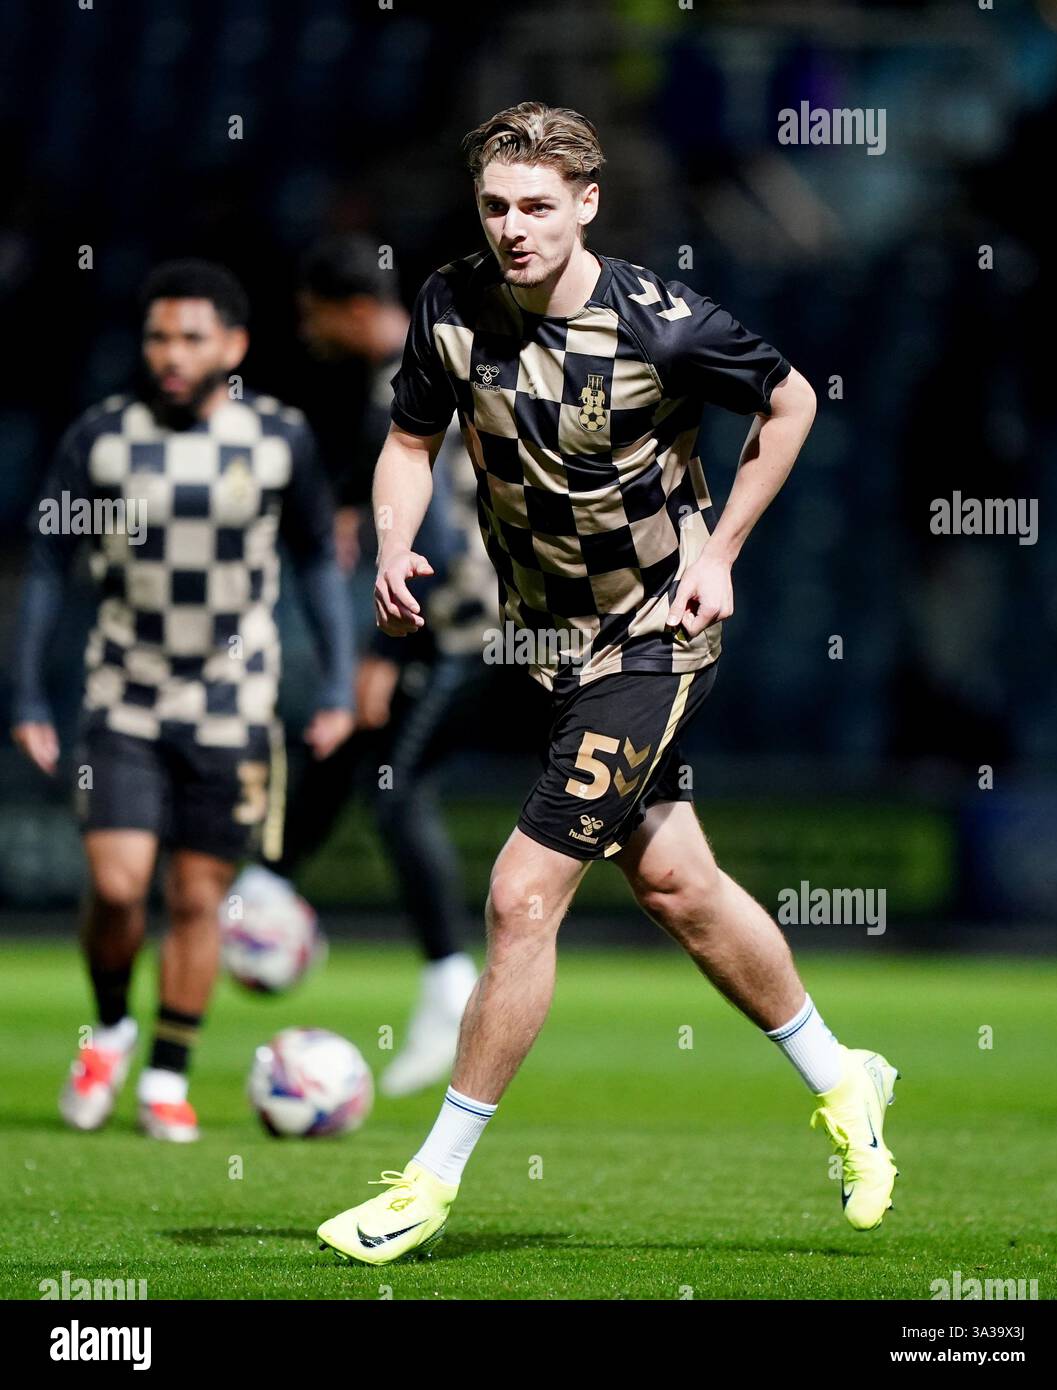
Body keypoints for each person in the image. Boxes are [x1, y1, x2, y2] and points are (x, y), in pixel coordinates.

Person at [316, 103, 899, 1264]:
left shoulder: (662, 323)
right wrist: (391, 542)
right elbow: (409, 444)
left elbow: (792, 399)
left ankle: (428, 1183)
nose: (513, 228)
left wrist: (720, 550)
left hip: (649, 634)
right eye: (495, 207)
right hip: (541, 642)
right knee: (677, 883)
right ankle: (847, 1078)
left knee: (521, 895)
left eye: (537, 206)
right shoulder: (448, 305)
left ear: (586, 204)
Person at [10, 259, 354, 1142]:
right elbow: (48, 562)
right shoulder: (102, 437)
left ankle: (166, 1073)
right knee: (120, 886)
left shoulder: (278, 437)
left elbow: (318, 555)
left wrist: (339, 681)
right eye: (159, 335)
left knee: (199, 900)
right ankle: (114, 1027)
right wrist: (29, 693)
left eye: (191, 337)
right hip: (122, 696)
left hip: (237, 705)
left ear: (233, 345)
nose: (170, 353)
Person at [229, 234, 510, 1096]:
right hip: (451, 617)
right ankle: (268, 879)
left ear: (352, 312)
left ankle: (447, 984)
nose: (308, 334)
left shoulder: (409, 371)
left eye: (315, 317)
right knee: (355, 750)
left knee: (393, 783)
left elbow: (425, 529)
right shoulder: (409, 365)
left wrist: (385, 649)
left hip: (467, 625)